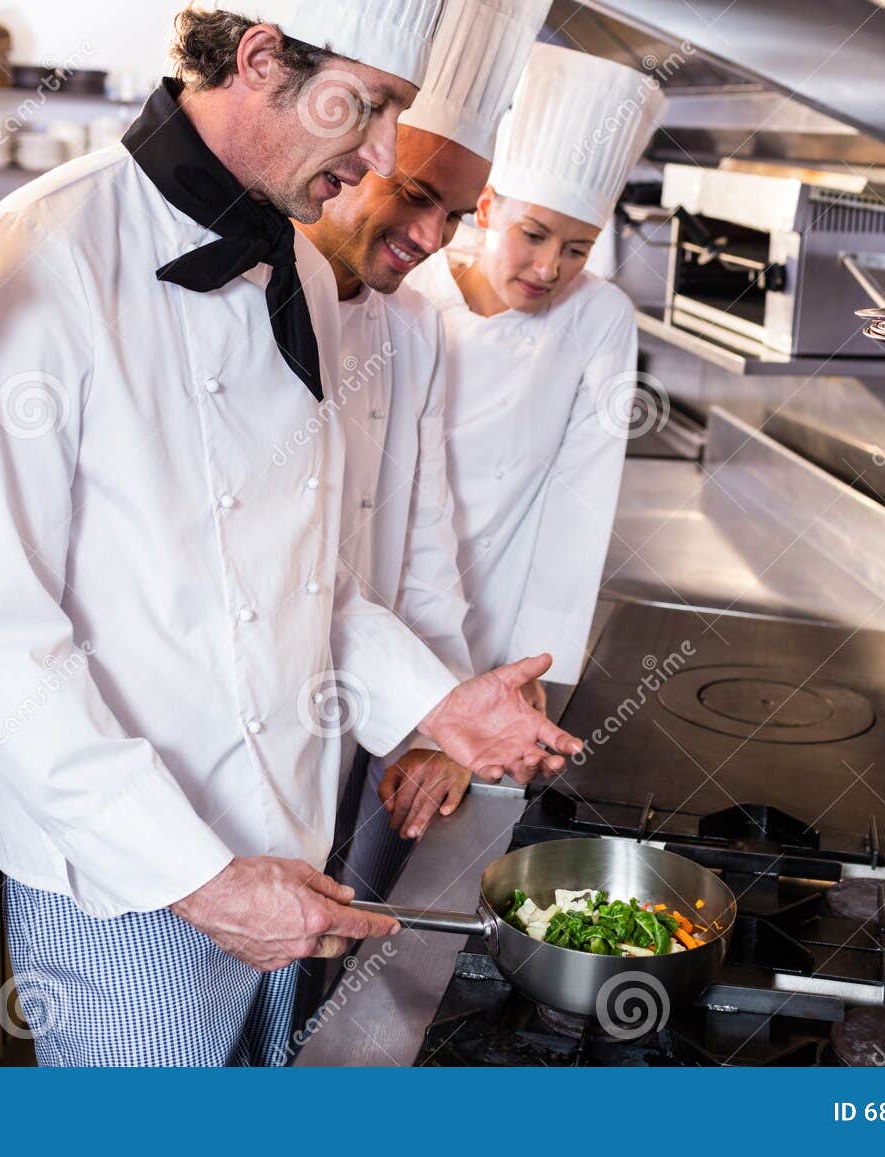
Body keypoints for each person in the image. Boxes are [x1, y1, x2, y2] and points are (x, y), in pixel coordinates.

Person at [0, 1, 580, 1067]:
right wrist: (198, 877)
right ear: (263, 59)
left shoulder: (305, 275)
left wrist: (435, 703)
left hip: (292, 848)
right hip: (128, 881)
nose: (382, 155)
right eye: (370, 108)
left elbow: (307, 583)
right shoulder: (40, 255)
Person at [299, 0, 552, 899]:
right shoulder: (251, 299)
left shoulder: (410, 326)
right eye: (413, 196)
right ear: (349, 157)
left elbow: (423, 546)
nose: (430, 241)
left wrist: (428, 726)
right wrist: (429, 704)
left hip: (349, 726)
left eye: (451, 215)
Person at [407, 44, 666, 693]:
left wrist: (534, 666)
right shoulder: (411, 289)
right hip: (386, 608)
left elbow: (580, 501)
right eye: (534, 233)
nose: (550, 268)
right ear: (487, 208)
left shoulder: (599, 317)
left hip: (501, 624)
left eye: (578, 249)